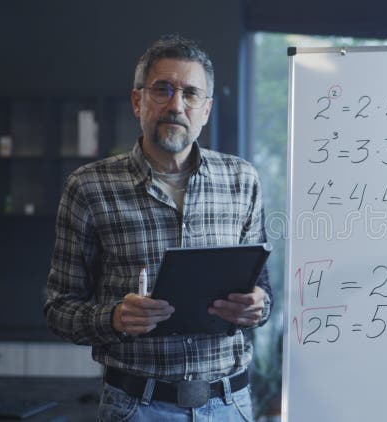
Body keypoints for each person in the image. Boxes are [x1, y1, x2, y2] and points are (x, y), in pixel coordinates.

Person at [44, 34, 271, 421]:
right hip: (136, 407)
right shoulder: (88, 187)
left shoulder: (242, 180)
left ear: (206, 110)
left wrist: (257, 307)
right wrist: (114, 318)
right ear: (138, 101)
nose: (176, 105)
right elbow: (58, 309)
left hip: (230, 405)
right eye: (162, 90)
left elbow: (263, 292)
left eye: (190, 93)